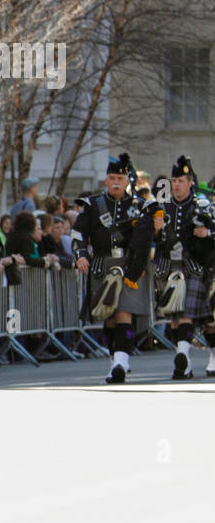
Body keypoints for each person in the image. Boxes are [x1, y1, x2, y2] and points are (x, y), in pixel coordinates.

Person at [71, 153, 151, 385]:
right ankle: (115, 357)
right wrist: (81, 255)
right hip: (102, 265)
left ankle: (120, 362)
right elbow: (78, 234)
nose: (116, 181)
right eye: (112, 177)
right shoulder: (93, 205)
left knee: (124, 312)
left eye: (120, 177)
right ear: (106, 180)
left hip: (129, 265)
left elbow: (147, 239)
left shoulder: (140, 206)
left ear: (127, 181)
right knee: (110, 318)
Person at [154, 156, 215, 379]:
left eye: (180, 180)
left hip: (196, 266)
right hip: (169, 265)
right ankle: (185, 362)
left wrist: (208, 233)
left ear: (190, 182)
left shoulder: (202, 205)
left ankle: (185, 357)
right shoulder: (162, 207)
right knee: (175, 316)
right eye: (174, 181)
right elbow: (151, 239)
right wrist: (157, 231)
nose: (176, 185)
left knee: (192, 315)